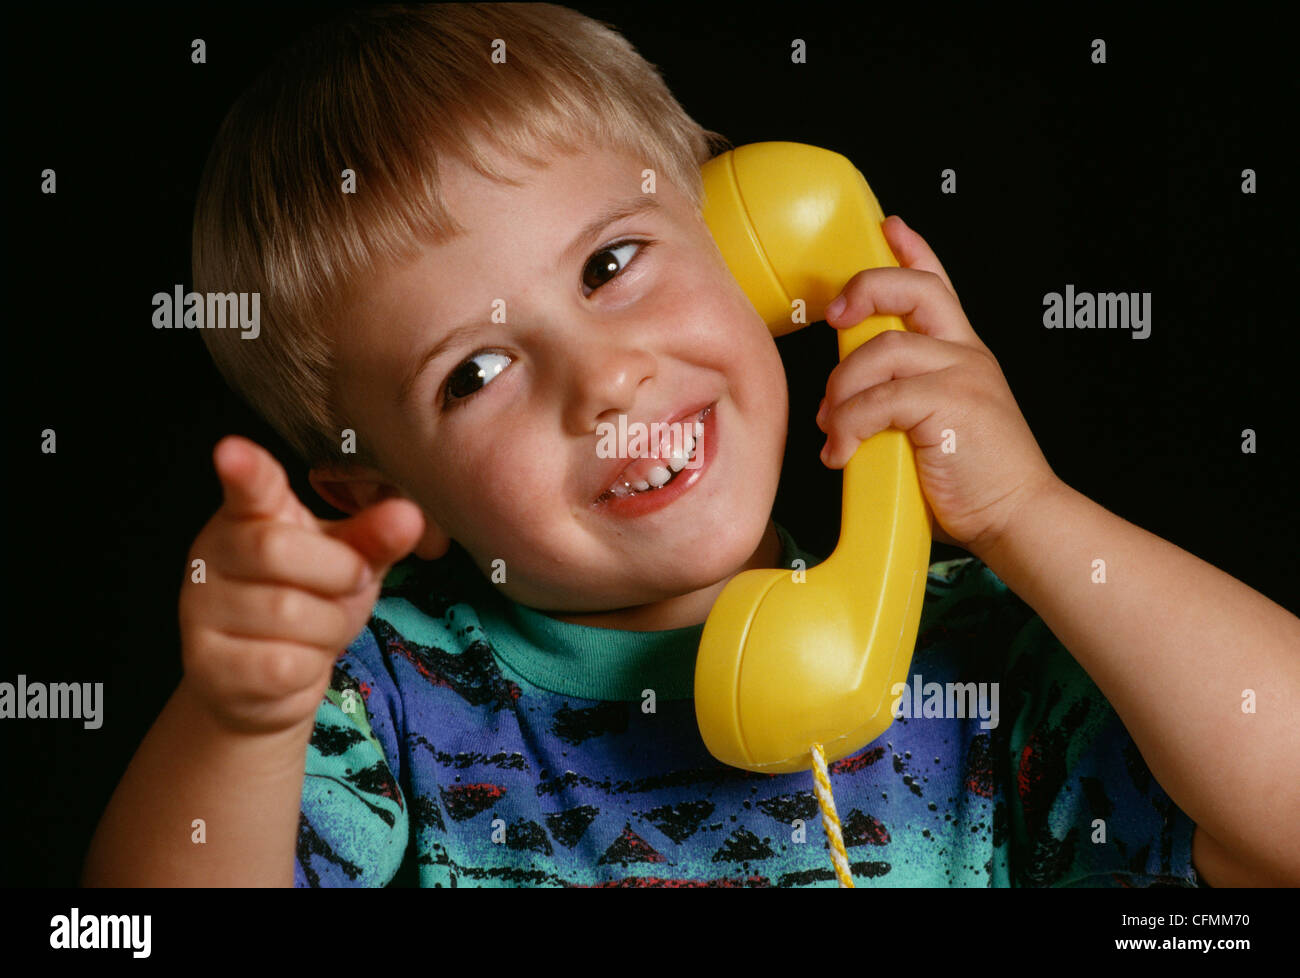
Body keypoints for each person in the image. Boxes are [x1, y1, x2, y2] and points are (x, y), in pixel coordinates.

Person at [82, 3, 1299, 887]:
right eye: (476, 371)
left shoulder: (988, 655)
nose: (605, 378)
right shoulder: (382, 698)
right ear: (385, 489)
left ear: (747, 242)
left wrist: (1029, 513)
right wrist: (238, 721)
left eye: (611, 265)